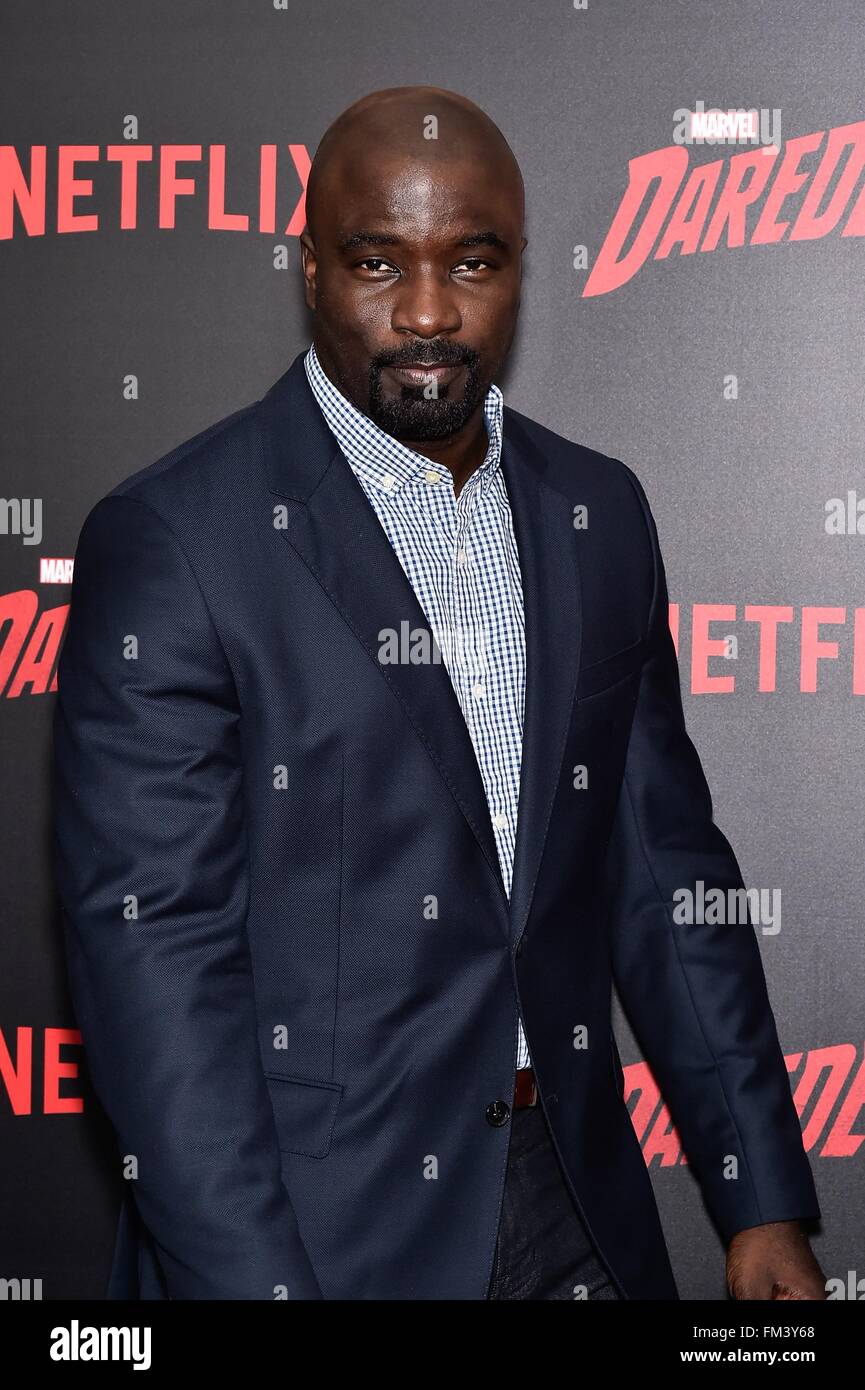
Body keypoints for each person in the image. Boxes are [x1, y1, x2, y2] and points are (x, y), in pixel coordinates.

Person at [53, 85, 825, 1301]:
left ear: (520, 267)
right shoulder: (178, 540)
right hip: (313, 1232)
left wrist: (758, 1196)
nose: (425, 312)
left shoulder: (598, 514)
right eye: (375, 262)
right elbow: (159, 978)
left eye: (470, 262)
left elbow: (664, 868)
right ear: (309, 267)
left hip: (575, 1200)